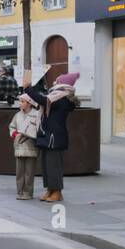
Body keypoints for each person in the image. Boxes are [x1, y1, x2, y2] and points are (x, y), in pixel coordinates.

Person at [28, 71, 78, 204]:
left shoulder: (62, 98)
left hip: (54, 137)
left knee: (54, 166)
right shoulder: (56, 96)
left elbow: (43, 100)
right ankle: (50, 189)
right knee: (46, 165)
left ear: (63, 84)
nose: (54, 83)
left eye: (57, 81)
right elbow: (43, 102)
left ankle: (57, 191)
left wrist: (28, 89)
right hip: (47, 135)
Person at [8, 92, 39, 200]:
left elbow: (38, 129)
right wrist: (14, 134)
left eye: (22, 101)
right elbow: (12, 126)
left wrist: (32, 134)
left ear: (29, 103)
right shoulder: (17, 115)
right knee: (19, 171)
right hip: (19, 146)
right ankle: (20, 191)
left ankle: (28, 192)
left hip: (31, 146)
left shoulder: (36, 114)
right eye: (20, 101)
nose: (20, 103)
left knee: (29, 172)